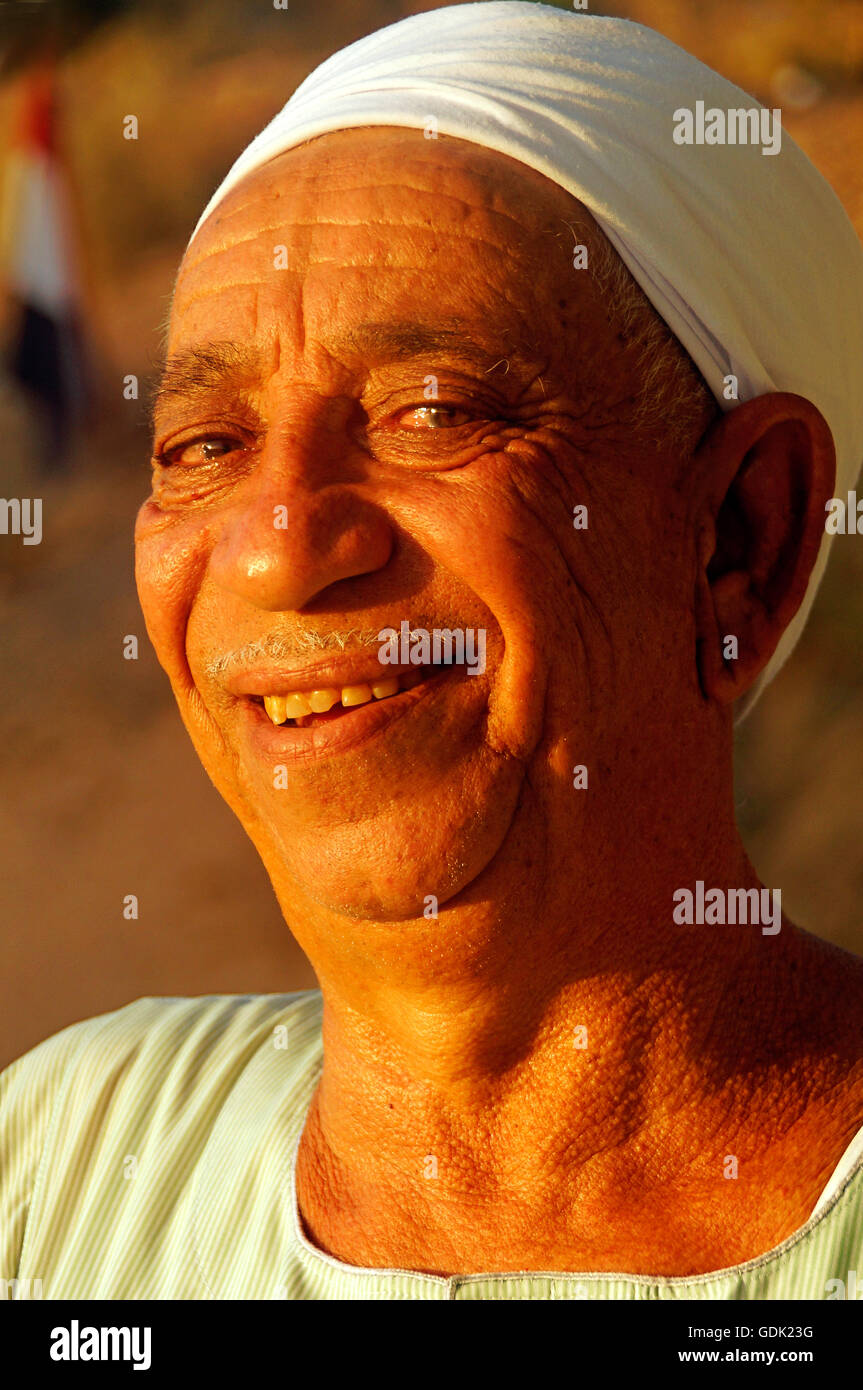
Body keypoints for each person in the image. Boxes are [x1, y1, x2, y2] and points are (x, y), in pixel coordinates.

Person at [3, 3, 863, 1300]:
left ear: (744, 535)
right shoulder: (64, 1154)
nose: (276, 549)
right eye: (202, 447)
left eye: (430, 412)